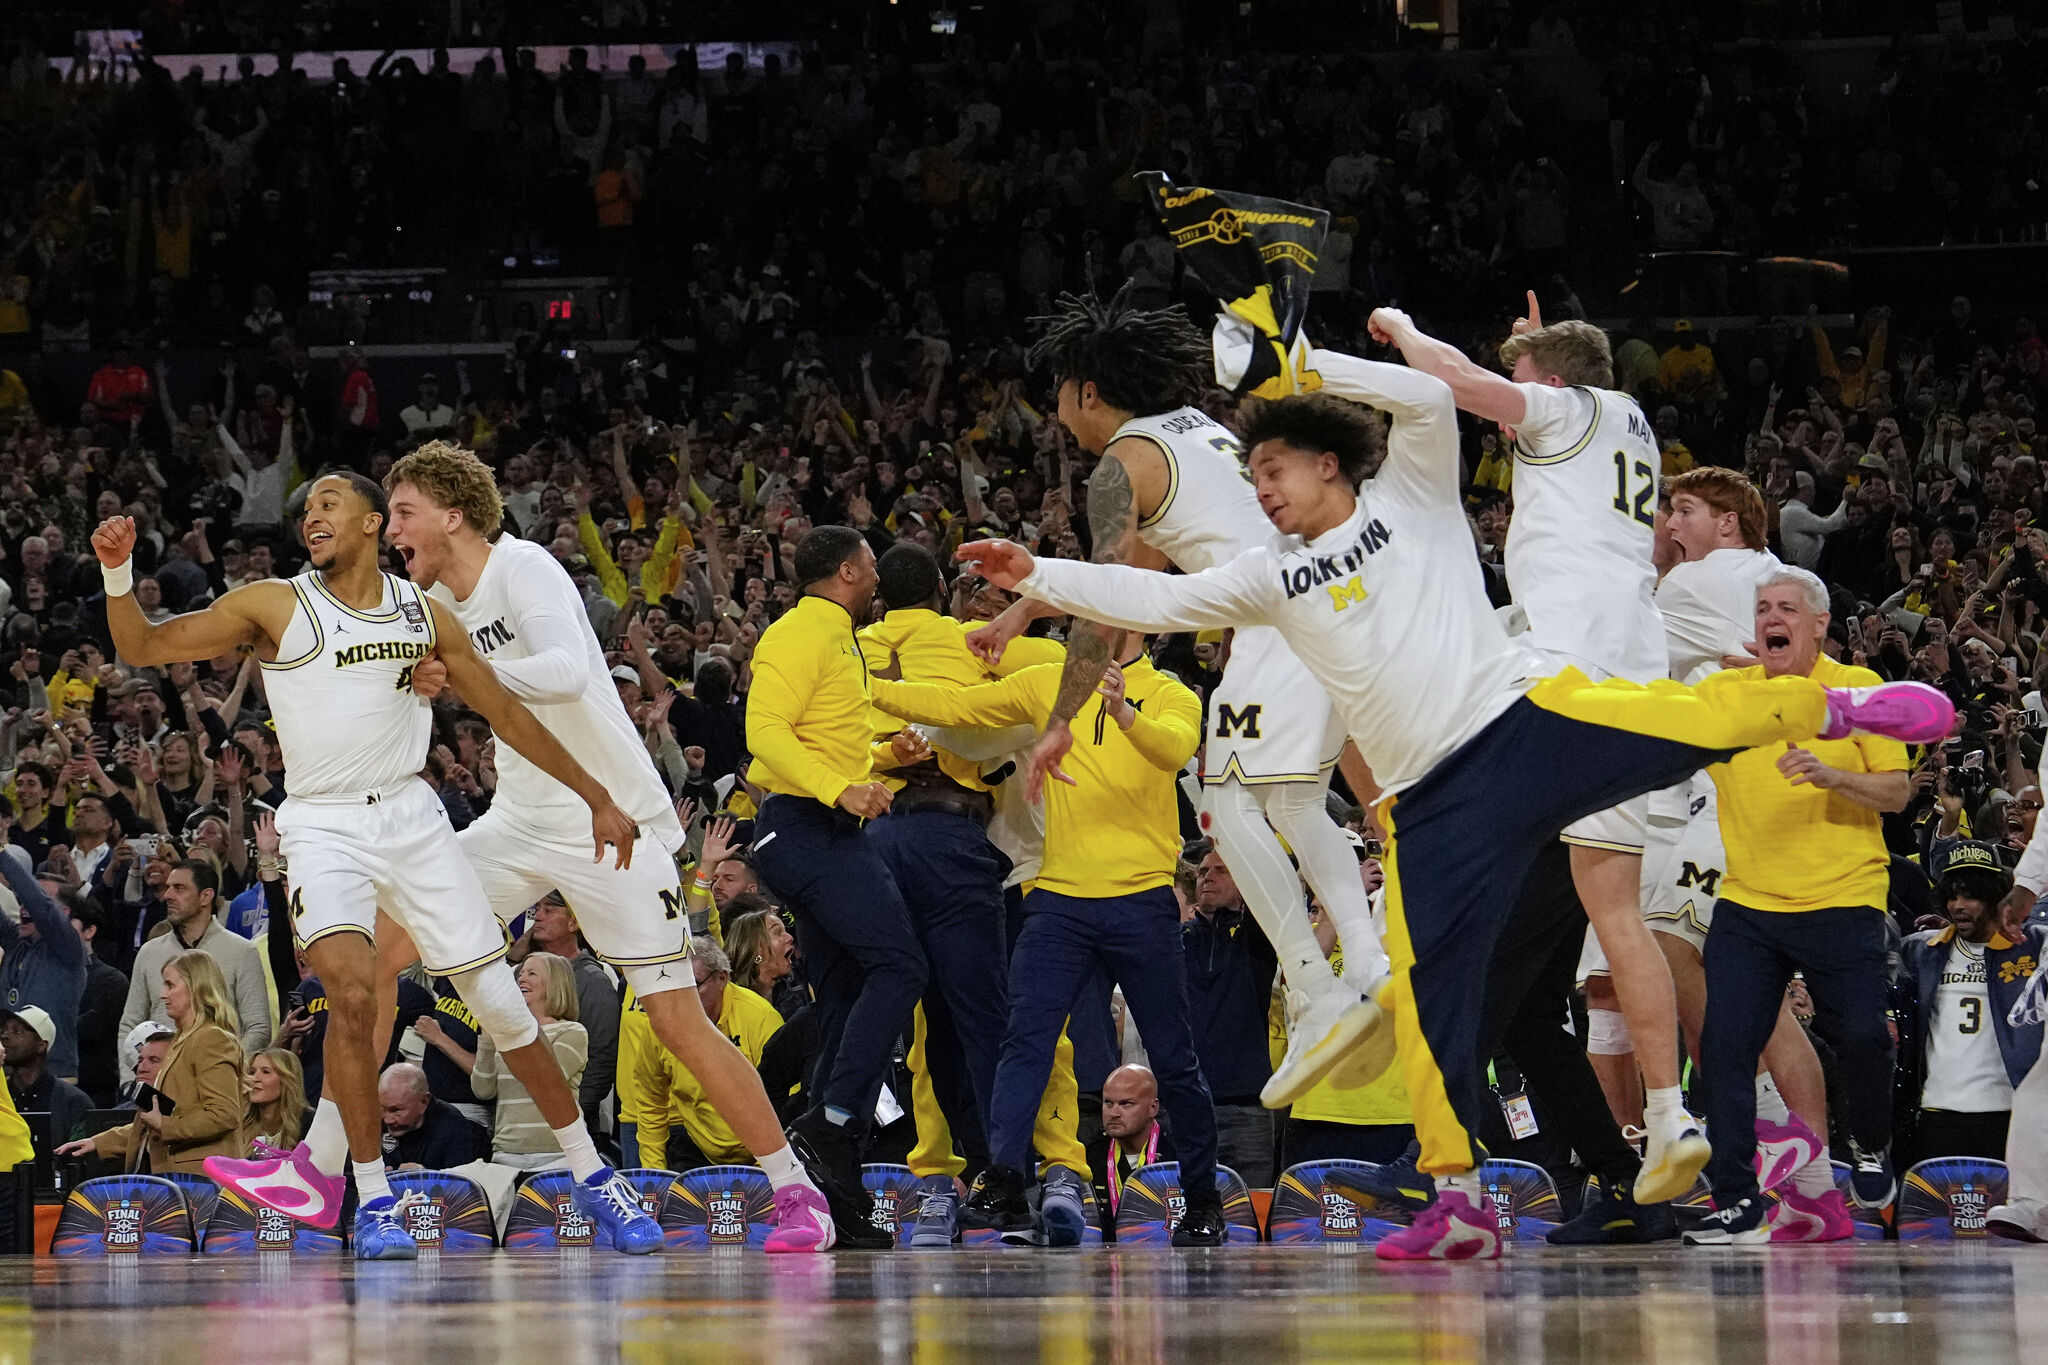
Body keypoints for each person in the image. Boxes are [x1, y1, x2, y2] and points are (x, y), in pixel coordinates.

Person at [956, 340, 1950, 1259]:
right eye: (1250, 478)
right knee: (1432, 1005)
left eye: (1272, 472)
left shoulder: (1415, 497)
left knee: (1667, 722)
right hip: (1432, 805)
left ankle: (1830, 703)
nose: (1258, 492)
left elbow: (1431, 395)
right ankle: (1460, 1203)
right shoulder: (1266, 575)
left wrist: (1312, 353)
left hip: (1511, 730)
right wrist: (1037, 574)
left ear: (1328, 465)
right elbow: (1159, 601)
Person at [90, 482, 658, 1262]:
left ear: (367, 522)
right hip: (324, 824)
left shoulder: (420, 612)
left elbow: (507, 713)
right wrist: (118, 573)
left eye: (328, 502)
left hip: (411, 817)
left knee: (498, 999)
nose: (312, 517)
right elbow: (145, 646)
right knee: (351, 995)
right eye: (304, 511)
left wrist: (596, 793)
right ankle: (373, 1195)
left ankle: (596, 1176)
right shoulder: (275, 604)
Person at [377, 440, 834, 1251]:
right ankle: (333, 1166)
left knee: (678, 1021)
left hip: (610, 824)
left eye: (404, 512)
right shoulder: (434, 607)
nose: (393, 530)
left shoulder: (523, 569)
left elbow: (561, 671)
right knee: (377, 953)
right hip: (519, 822)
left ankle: (798, 1192)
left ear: (454, 514)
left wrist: (466, 671)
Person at [971, 287, 1389, 1109]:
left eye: (1061, 394)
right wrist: (1030, 602)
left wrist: (1060, 723)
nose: (1058, 414)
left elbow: (1110, 610)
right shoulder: (1202, 434)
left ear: (1089, 390)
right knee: (1296, 800)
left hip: (1280, 613)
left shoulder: (1121, 461)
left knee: (1227, 803)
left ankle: (1316, 988)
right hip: (1342, 599)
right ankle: (1365, 965)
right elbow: (1141, 587)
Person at [1371, 297, 1707, 1205]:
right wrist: (1531, 340)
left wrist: (1403, 328)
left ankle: (1441, 1166)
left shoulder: (1560, 405)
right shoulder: (1626, 423)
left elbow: (1459, 382)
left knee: (1460, 894)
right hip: (1634, 685)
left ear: (1551, 381)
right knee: (1611, 914)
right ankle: (1670, 1114)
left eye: (1525, 374)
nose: (1512, 395)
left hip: (1568, 684)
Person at [870, 629, 1224, 1247]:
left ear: (1134, 626)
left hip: (1141, 897)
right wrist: (863, 684)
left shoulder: (1171, 694)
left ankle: (1201, 1201)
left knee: (1174, 1058)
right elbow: (955, 707)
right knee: (1023, 1040)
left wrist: (1124, 713)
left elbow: (1174, 750)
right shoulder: (1048, 682)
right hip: (1060, 900)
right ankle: (1007, 1176)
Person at [1677, 569, 1911, 1245]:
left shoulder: (1861, 691)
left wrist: (1833, 773)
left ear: (1818, 623)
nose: (1770, 617)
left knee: (1865, 1034)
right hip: (1749, 903)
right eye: (1761, 609)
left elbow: (1897, 792)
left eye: (1785, 607)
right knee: (1722, 1045)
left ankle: (1869, 1144)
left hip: (1844, 895)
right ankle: (1735, 1196)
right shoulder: (1728, 693)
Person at [1649, 468, 1839, 1237]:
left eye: (1684, 509)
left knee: (1667, 945)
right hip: (1785, 796)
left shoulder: (1697, 580)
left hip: (1724, 797)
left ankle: (1769, 1129)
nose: (1669, 522)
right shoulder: (1788, 583)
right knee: (1753, 991)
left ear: (1730, 523)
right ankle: (1816, 1190)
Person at [743, 523, 925, 1249]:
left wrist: (885, 756)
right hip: (801, 826)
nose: (879, 576)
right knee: (902, 965)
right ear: (849, 571)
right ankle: (831, 1121)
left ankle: (832, 1189)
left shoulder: (840, 636)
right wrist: (841, 788)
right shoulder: (798, 632)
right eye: (872, 566)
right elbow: (764, 732)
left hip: (818, 826)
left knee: (847, 997)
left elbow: (827, 737)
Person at [1897, 844, 2044, 1164]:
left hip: (2012, 1113)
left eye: (1971, 896)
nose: (1958, 906)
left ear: (1996, 897)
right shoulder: (1922, 951)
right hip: (1939, 1111)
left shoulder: (2033, 946)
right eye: (1952, 896)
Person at [59, 951, 247, 1176]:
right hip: (177, 1181)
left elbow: (223, 1115)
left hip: (202, 1181)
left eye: (170, 985)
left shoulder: (211, 1038)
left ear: (195, 987)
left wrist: (165, 1125)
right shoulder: (181, 1042)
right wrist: (99, 1143)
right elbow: (153, 1122)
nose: (162, 994)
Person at [619, 939, 784, 1170]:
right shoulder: (661, 1024)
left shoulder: (760, 1017)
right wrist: (653, 1173)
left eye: (693, 985)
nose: (683, 996)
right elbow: (650, 1100)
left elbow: (785, 1100)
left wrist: (767, 1167)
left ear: (722, 978)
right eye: (676, 985)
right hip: (700, 1149)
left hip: (764, 1154)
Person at [1180, 848, 1279, 1187]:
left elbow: (1271, 883)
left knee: (1253, 1215)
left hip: (1247, 1107)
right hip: (1185, 1108)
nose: (1208, 875)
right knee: (1179, 1216)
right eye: (1204, 870)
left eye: (1222, 870)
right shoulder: (1176, 940)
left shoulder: (1258, 939)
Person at [118, 860, 271, 1070]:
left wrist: (225, 1071)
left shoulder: (242, 952)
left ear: (205, 896)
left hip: (217, 1088)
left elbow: (258, 1027)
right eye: (169, 887)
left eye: (179, 888)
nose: (167, 895)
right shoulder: (149, 952)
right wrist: (130, 1080)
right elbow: (130, 1024)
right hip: (156, 1087)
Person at [470, 953, 588, 1171]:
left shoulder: (571, 1032)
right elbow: (482, 1090)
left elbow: (545, 1081)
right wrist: (487, 1039)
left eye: (532, 973)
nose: (521, 979)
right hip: (506, 1154)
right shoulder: (505, 1035)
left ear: (555, 984)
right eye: (521, 974)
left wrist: (516, 1034)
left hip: (556, 1155)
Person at [515, 893, 620, 1134]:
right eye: (537, 908)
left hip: (573, 1126)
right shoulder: (518, 974)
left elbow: (601, 1060)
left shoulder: (594, 980)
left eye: (549, 911)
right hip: (517, 1124)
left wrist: (570, 1116)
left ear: (574, 923)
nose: (538, 917)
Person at [0, 841, 88, 1084]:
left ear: (65, 913)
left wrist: (2, 854)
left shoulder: (68, 947)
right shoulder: (15, 942)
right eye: (23, 900)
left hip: (56, 1078)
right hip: (9, 1075)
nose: (26, 905)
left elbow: (41, 908)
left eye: (38, 898)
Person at [1090, 1063, 1173, 1240]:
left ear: (1153, 1108)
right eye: (1108, 1103)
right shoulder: (1087, 1159)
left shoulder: (1180, 1156)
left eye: (1126, 1104)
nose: (1114, 1113)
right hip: (1104, 1262)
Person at [67, 901, 128, 1106]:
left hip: (96, 1092)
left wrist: (49, 1025)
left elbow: (93, 1027)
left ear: (89, 931)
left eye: (67, 926)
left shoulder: (112, 980)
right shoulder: (47, 975)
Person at [1, 1005, 92, 1143]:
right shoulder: (2, 1096)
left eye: (17, 1031)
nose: (4, 1036)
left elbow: (81, 1157)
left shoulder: (73, 1102)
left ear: (41, 1045)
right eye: (3, 1030)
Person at [379, 1062, 490, 1170]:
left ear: (424, 1102)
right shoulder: (374, 1121)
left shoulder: (453, 1127)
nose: (387, 1120)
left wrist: (424, 1177)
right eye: (383, 1108)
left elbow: (458, 1184)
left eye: (396, 1110)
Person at [245, 1047, 310, 1154]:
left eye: (266, 1072)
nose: (254, 1079)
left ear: (286, 1081)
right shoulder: (241, 1123)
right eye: (252, 1072)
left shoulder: (309, 1125)